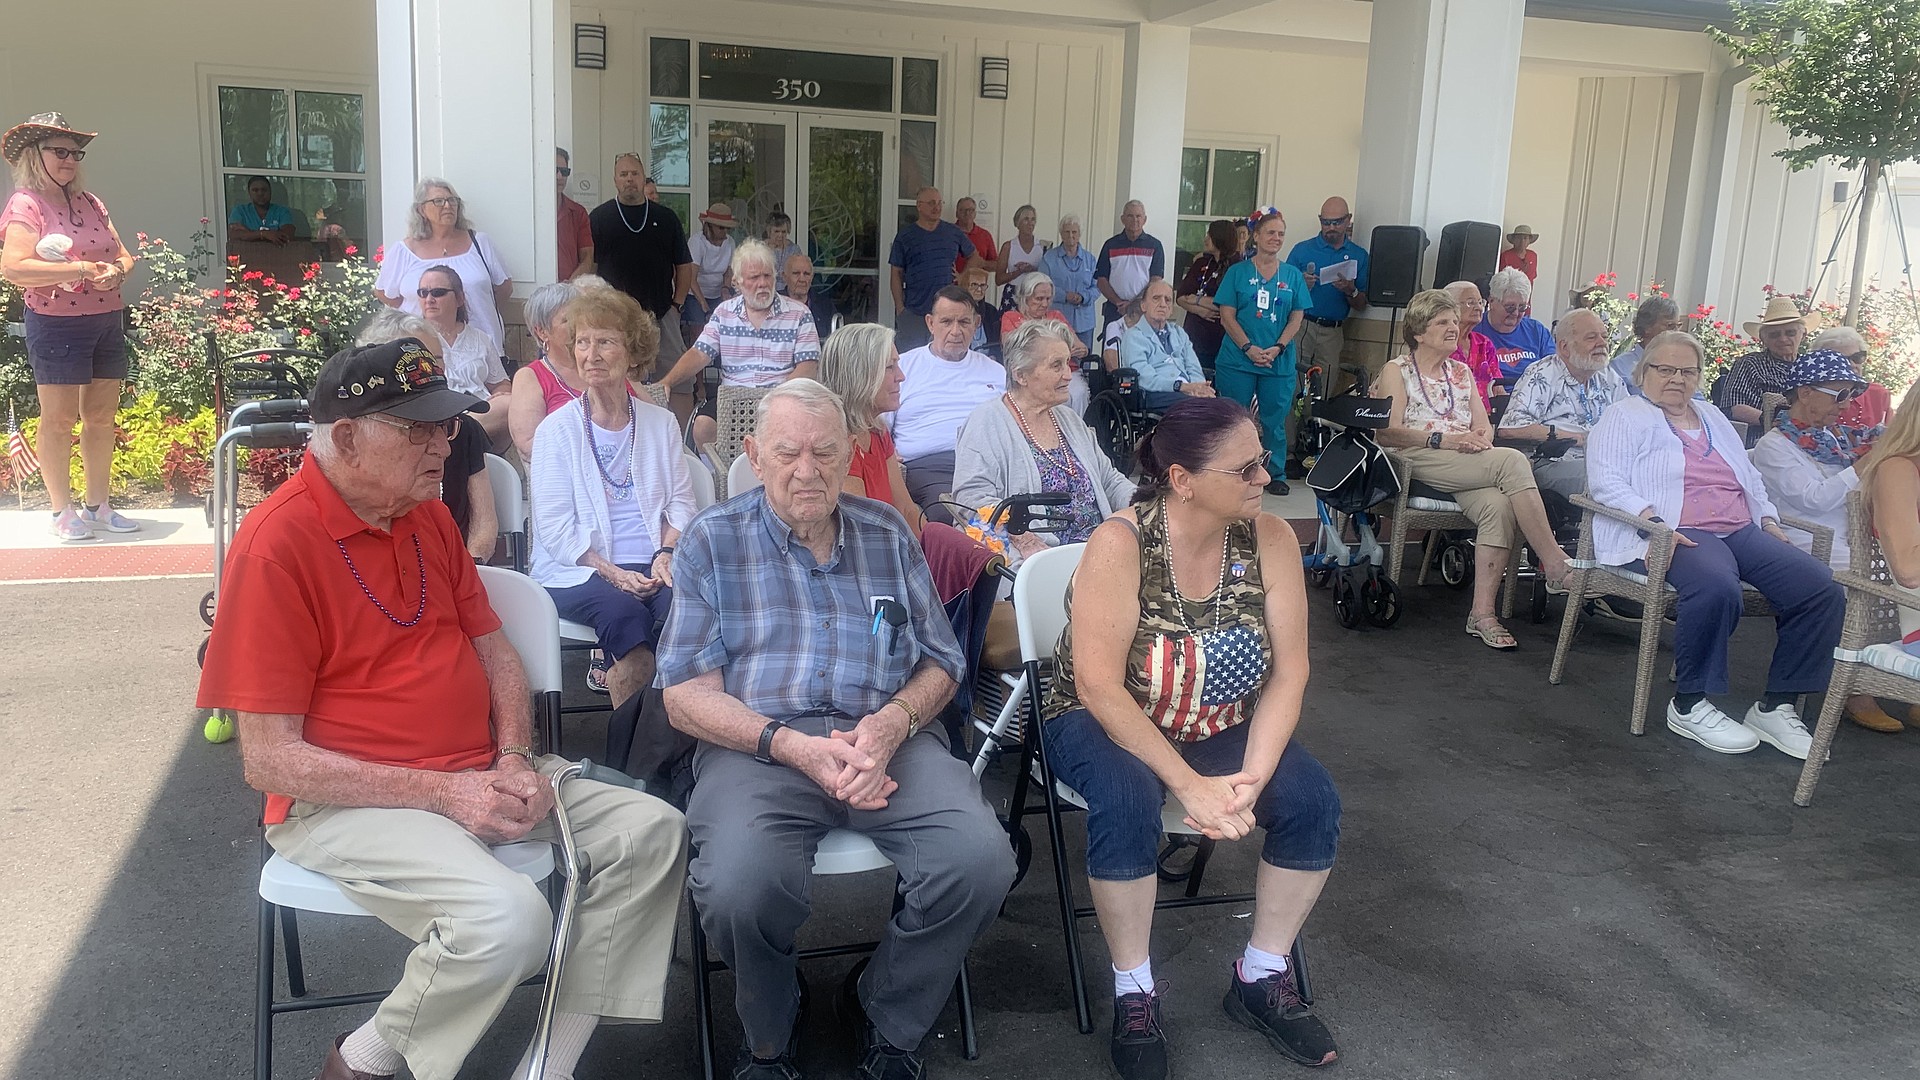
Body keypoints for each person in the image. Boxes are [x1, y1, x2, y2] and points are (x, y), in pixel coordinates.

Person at [196, 337, 687, 1080]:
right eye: (418, 428)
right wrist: (444, 792)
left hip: (480, 770)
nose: (445, 446)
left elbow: (496, 654)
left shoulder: (425, 517)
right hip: (346, 802)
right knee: (507, 920)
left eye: (448, 425)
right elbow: (269, 759)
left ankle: (546, 1069)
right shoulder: (275, 545)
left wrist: (514, 758)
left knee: (652, 831)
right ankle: (360, 1062)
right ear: (347, 437)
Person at [656, 380, 1017, 1080]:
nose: (807, 469)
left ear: (851, 453)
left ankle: (882, 1007)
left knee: (981, 861)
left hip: (888, 742)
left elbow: (942, 659)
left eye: (825, 451)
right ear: (755, 456)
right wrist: (789, 745)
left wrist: (891, 722)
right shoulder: (712, 539)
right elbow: (684, 697)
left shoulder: (886, 533)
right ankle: (772, 1026)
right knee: (738, 884)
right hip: (759, 746)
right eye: (787, 452)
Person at [1042, 397, 1341, 1078]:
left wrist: (1252, 779)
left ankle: (1262, 977)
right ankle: (1134, 989)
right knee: (1125, 800)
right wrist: (1189, 786)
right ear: (1182, 479)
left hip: (1213, 720)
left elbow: (1290, 674)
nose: (1264, 478)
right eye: (1245, 470)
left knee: (1311, 800)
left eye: (1262, 461)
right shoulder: (1122, 544)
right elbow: (1097, 687)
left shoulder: (1269, 540)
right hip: (1100, 718)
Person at [1588, 331, 1845, 757]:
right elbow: (1605, 482)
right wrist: (1653, 521)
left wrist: (1766, 517)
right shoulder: (1625, 415)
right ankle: (1690, 703)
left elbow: (1749, 477)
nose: (1677, 379)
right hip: (1677, 529)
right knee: (1715, 586)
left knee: (1820, 588)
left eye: (1687, 371)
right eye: (1665, 369)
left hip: (1740, 528)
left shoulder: (1713, 417)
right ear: (1643, 371)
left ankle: (1776, 705)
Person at [1373, 289, 1574, 649]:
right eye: (1442, 322)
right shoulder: (1397, 369)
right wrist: (1444, 440)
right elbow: (1388, 431)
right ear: (1419, 331)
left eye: (1454, 321)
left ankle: (1482, 614)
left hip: (1464, 459)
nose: (1453, 328)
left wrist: (1479, 437)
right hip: (1418, 454)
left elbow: (1484, 426)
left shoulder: (1462, 371)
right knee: (1513, 461)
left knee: (1497, 507)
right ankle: (1554, 561)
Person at [531, 289, 694, 709]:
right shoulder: (556, 430)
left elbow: (681, 504)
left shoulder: (660, 424)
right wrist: (614, 573)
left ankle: (647, 759)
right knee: (627, 619)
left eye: (605, 341)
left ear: (632, 352)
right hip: (579, 569)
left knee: (684, 610)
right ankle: (648, 763)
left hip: (652, 561)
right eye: (583, 342)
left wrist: (665, 554)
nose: (591, 354)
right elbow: (554, 530)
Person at [0, 111, 139, 539]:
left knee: (101, 415)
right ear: (33, 155)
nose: (70, 159)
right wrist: (79, 268)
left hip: (105, 317)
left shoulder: (91, 202)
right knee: (58, 419)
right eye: (59, 151)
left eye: (75, 152)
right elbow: (14, 267)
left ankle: (98, 505)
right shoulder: (26, 204)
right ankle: (62, 511)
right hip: (56, 322)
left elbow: (123, 254)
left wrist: (117, 272)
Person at [1751, 349, 1895, 731]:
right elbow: (1814, 499)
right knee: (1873, 580)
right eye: (1839, 394)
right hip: (1806, 543)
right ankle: (1854, 688)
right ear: (1804, 392)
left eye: (1850, 394)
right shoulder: (1774, 446)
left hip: (1851, 538)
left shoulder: (1835, 438)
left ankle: (1906, 681)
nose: (1847, 404)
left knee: (1908, 574)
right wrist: (1867, 463)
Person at [953, 317, 1133, 561]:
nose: (1068, 375)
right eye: (1056, 365)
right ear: (1021, 375)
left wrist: (1148, 505)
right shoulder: (986, 422)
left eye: (1067, 363)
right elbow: (970, 498)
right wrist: (1023, 539)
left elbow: (1110, 480)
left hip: (1098, 550)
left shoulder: (1068, 419)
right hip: (1038, 558)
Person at [354, 308, 496, 561]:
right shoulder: (365, 435)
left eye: (437, 359)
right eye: (418, 361)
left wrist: (466, 571)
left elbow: (485, 526)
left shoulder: (463, 430)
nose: (441, 446)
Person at [659, 240, 821, 449]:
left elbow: (808, 367)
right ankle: (722, 480)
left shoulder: (799, 314)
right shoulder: (724, 313)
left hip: (782, 400)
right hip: (733, 401)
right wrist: (668, 381)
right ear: (737, 282)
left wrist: (773, 398)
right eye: (754, 277)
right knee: (703, 426)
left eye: (767, 275)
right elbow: (699, 354)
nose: (763, 283)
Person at [1214, 209, 1310, 496]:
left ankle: (1274, 471)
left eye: (1281, 233)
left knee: (1274, 419)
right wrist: (1248, 347)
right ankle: (1230, 469)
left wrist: (1277, 347)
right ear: (1256, 235)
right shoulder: (1237, 272)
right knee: (1233, 419)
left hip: (1277, 361)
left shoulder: (1292, 275)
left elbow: (1297, 316)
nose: (1276, 238)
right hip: (1238, 359)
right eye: (1270, 232)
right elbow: (1226, 315)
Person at [893, 285, 1007, 517]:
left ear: (976, 324)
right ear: (930, 323)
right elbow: (877, 422)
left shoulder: (997, 372)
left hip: (990, 464)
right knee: (950, 515)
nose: (956, 331)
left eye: (964, 322)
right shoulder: (902, 367)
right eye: (946, 322)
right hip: (930, 465)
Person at [1496, 308, 1626, 497]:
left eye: (1604, 336)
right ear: (1564, 347)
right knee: (1604, 477)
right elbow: (1510, 428)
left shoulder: (1608, 376)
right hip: (1552, 462)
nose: (1602, 343)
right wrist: (1574, 437)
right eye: (1591, 338)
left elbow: (1630, 421)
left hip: (1605, 460)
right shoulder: (1543, 374)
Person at [374, 177, 513, 354]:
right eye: (438, 201)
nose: (447, 206)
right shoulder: (404, 251)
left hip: (481, 348)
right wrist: (414, 306)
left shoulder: (480, 243)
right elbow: (384, 293)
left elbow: (504, 288)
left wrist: (477, 308)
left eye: (452, 201)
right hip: (422, 349)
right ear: (421, 209)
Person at [589, 153, 693, 374]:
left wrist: (677, 306)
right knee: (617, 375)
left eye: (635, 173)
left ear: (643, 178)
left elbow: (684, 265)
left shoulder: (666, 218)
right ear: (615, 180)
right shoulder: (598, 218)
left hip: (662, 313)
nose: (629, 179)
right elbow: (591, 266)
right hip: (613, 316)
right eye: (623, 174)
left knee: (676, 377)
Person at [817, 322, 925, 533]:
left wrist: (943, 551)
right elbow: (863, 534)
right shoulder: (835, 443)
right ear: (860, 374)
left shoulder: (876, 429)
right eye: (889, 367)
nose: (901, 376)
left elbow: (907, 510)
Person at [414, 264, 512, 446]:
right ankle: (463, 437)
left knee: (512, 403)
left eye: (438, 292)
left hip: (482, 413)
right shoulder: (413, 340)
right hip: (440, 417)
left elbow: (500, 383)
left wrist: (499, 395)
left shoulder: (481, 339)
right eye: (423, 292)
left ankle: (465, 436)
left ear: (459, 298)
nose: (429, 299)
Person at [1284, 196, 1370, 374]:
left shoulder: (1358, 255)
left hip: (1333, 330)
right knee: (1295, 386)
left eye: (1337, 222)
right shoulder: (1302, 250)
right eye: (1326, 222)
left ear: (1348, 220)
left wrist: (1350, 290)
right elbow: (1281, 293)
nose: (1331, 227)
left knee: (1326, 387)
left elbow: (1362, 303)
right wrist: (1301, 286)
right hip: (1302, 325)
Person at [889, 187, 982, 350]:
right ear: (919, 206)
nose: (937, 207)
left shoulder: (953, 232)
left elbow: (974, 255)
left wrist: (962, 275)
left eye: (940, 203)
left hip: (947, 313)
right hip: (914, 311)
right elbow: (895, 273)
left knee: (944, 358)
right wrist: (899, 308)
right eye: (931, 203)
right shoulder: (905, 236)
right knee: (911, 362)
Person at [507, 279, 585, 458]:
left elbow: (654, 418)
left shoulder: (605, 365)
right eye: (567, 320)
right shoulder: (530, 377)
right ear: (542, 332)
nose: (578, 326)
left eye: (581, 317)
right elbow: (528, 445)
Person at [1714, 294, 1817, 427]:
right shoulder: (1750, 364)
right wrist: (1775, 422)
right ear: (1763, 339)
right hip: (1759, 437)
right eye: (1774, 335)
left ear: (1803, 335)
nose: (1783, 339)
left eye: (1790, 333)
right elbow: (1733, 407)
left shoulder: (1811, 368)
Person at [1120, 280, 1217, 412]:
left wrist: (1198, 388)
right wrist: (1181, 387)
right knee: (1196, 407)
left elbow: (1193, 367)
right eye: (1156, 298)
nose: (1162, 304)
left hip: (1186, 392)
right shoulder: (1133, 336)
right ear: (1143, 306)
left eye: (1167, 300)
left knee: (1227, 407)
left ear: (1171, 309)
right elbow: (1144, 378)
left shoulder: (1179, 333)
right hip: (1155, 393)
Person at [1001, 270, 1091, 409]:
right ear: (1025, 297)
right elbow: (1010, 348)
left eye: (1048, 299)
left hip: (1063, 371)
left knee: (1078, 392)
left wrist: (1081, 350)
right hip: (1030, 373)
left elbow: (1079, 345)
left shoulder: (1056, 316)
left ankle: (1074, 430)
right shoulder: (1011, 317)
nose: (1044, 304)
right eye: (1039, 298)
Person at [1176, 219, 1240, 371]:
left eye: (1209, 235)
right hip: (1195, 336)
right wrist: (1200, 310)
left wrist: (1195, 299)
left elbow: (1226, 304)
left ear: (1220, 237)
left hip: (1221, 337)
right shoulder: (1202, 263)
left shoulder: (1237, 267)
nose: (1205, 239)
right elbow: (1180, 296)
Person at [1476, 267, 1555, 379]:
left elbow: (1553, 370)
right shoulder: (1475, 330)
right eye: (1510, 307)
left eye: (1522, 307)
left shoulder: (1537, 331)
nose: (1516, 313)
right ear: (1492, 301)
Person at [1095, 200, 1165, 324]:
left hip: (1143, 310)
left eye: (1138, 216)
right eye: (1130, 216)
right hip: (1115, 309)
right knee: (1112, 343)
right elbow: (1101, 280)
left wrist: (1134, 304)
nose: (1135, 220)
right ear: (1122, 219)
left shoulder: (1155, 245)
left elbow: (1155, 280)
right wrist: (1118, 302)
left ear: (1145, 219)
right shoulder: (1110, 245)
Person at [1810, 326, 1892, 428]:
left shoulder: (1878, 395)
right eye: (1841, 360)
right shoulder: (1813, 394)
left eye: (1857, 357)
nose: (1852, 365)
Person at [1443, 280, 1504, 408]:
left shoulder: (1485, 344)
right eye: (1470, 303)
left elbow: (1498, 388)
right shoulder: (1440, 343)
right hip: (1448, 415)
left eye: (1480, 302)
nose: (1479, 308)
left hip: (1484, 418)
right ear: (1449, 307)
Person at [1042, 213, 1098, 351]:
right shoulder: (1049, 258)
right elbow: (1042, 286)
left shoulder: (1090, 259)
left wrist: (1083, 297)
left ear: (1080, 234)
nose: (1071, 236)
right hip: (1057, 322)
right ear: (1061, 233)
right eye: (1067, 232)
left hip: (1084, 323)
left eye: (1074, 232)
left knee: (1083, 362)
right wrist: (1064, 296)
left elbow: (1097, 286)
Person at [1610, 296, 1685, 395]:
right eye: (1670, 326)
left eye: (1678, 326)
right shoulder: (1620, 367)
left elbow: (1698, 402)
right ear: (1647, 327)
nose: (1675, 332)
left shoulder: (1685, 365)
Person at [684, 202, 737, 343]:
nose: (724, 231)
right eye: (721, 227)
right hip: (695, 294)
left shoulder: (730, 242)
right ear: (710, 226)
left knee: (724, 327)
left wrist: (725, 289)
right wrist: (703, 303)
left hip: (717, 292)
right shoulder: (697, 242)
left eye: (727, 228)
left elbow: (729, 271)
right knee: (699, 329)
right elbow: (690, 278)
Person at [226, 174, 296, 248]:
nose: (260, 193)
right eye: (255, 190)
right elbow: (235, 235)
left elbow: (287, 235)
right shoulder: (240, 211)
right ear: (249, 193)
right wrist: (265, 234)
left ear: (270, 192)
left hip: (277, 255)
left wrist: (249, 234)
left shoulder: (282, 211)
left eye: (264, 190)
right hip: (246, 255)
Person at [555, 148, 594, 280]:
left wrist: (568, 288)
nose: (559, 176)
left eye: (564, 172)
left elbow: (587, 258)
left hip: (569, 293)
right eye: (554, 170)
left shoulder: (579, 213)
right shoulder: (528, 214)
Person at [783, 251, 837, 343]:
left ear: (812, 277)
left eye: (806, 274)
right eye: (796, 273)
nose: (802, 279)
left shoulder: (825, 306)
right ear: (784, 277)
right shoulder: (774, 304)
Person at [996, 203, 1049, 286]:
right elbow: (998, 280)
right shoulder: (1008, 246)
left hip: (1034, 293)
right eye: (1026, 219)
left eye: (1033, 219)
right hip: (1013, 293)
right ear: (1018, 223)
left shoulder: (1043, 246)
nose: (1030, 223)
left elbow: (1047, 276)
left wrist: (1031, 269)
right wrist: (1019, 271)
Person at [964, 264, 1003, 357]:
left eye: (983, 285)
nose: (979, 289)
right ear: (965, 286)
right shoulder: (957, 310)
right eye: (974, 285)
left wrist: (993, 357)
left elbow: (996, 342)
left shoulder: (991, 311)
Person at [953, 195, 996, 277]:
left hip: (977, 286)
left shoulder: (985, 235)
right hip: (952, 286)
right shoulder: (948, 233)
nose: (967, 213)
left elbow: (996, 265)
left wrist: (983, 263)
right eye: (963, 210)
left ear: (975, 213)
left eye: (971, 210)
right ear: (956, 213)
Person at [765, 211, 801, 289]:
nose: (780, 235)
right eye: (776, 231)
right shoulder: (761, 249)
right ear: (769, 231)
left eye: (783, 232)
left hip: (788, 292)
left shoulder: (794, 250)